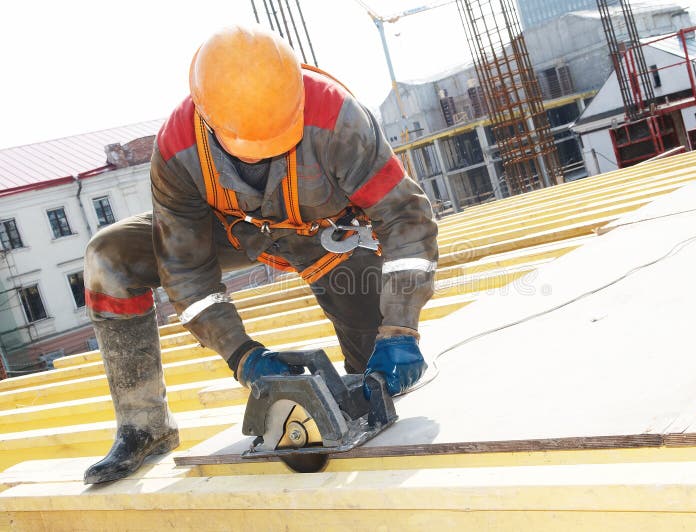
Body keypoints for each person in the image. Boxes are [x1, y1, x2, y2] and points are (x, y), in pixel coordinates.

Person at [82, 25, 438, 484]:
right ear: (208, 119)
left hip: (328, 238)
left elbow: (406, 219)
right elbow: (186, 271)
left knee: (375, 386)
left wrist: (401, 326)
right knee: (108, 258)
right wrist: (242, 356)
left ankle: (374, 358)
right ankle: (144, 426)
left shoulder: (335, 118)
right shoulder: (177, 150)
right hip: (235, 233)